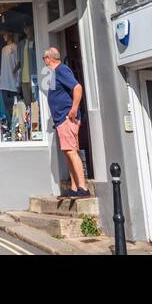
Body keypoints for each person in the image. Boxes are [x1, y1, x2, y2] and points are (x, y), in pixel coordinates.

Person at [43, 47, 89, 197]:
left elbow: (77, 87)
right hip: (61, 120)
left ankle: (83, 187)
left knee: (71, 151)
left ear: (49, 58)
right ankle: (75, 187)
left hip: (66, 118)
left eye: (45, 58)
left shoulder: (62, 70)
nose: (44, 61)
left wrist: (73, 109)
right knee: (69, 152)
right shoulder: (54, 74)